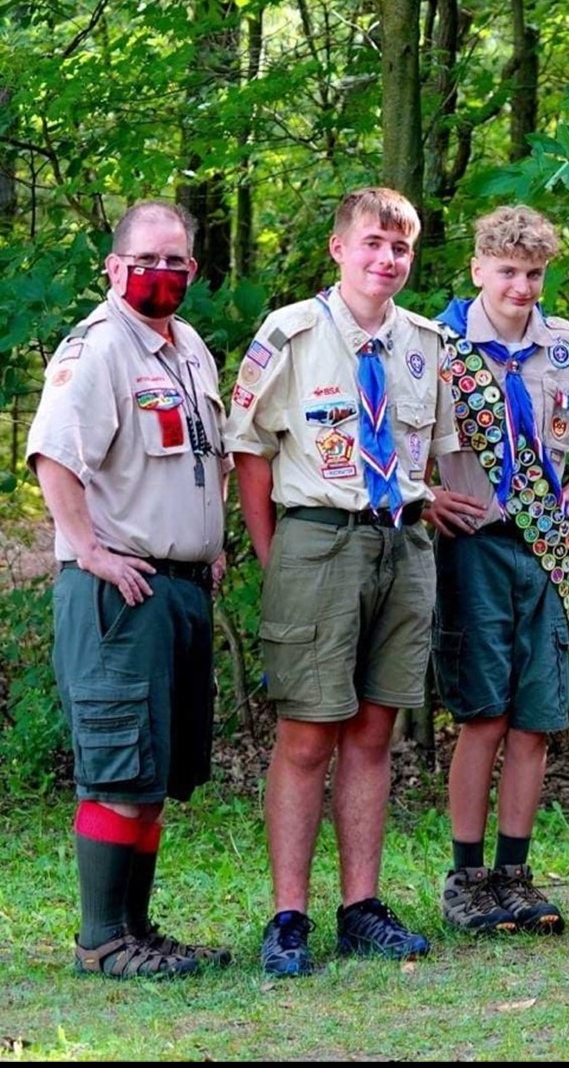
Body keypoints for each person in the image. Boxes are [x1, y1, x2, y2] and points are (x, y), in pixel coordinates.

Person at [225, 186, 460, 975]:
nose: (386, 259)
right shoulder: (290, 334)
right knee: (306, 735)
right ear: (338, 248)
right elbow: (250, 452)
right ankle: (288, 915)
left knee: (373, 732)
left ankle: (361, 905)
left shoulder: (426, 344)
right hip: (317, 541)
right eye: (372, 244)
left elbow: (430, 457)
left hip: (401, 545)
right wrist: (275, 555)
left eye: (400, 248)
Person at [28, 200, 231, 978]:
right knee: (117, 767)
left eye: (177, 260)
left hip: (177, 589)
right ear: (114, 268)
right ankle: (101, 939)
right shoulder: (99, 347)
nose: (164, 271)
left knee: (151, 771)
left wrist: (205, 544)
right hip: (119, 591)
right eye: (148, 258)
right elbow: (55, 458)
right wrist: (91, 551)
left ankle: (137, 931)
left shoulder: (187, 350)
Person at [424, 206, 569, 936]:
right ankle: (467, 876)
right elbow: (404, 437)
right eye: (507, 272)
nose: (522, 287)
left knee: (534, 716)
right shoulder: (440, 348)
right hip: (474, 543)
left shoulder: (560, 347)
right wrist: (425, 497)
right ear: (477, 270)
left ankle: (515, 873)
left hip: (544, 549)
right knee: (484, 713)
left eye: (533, 274)